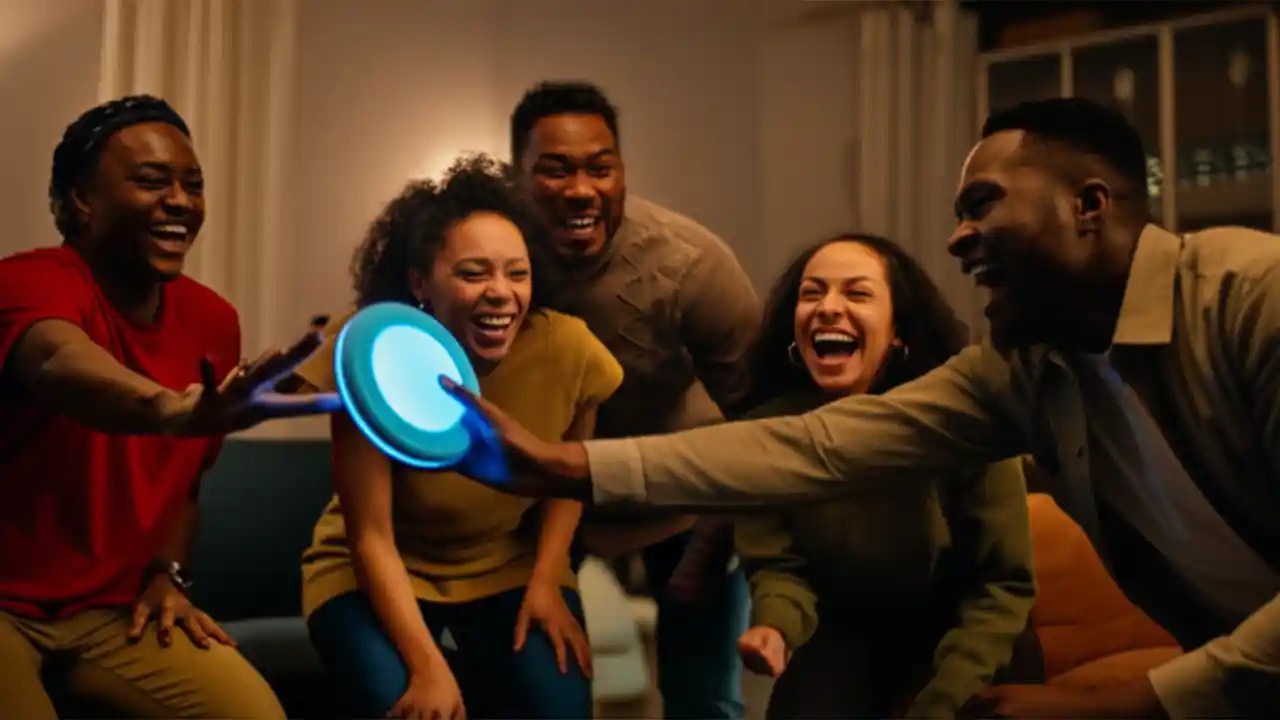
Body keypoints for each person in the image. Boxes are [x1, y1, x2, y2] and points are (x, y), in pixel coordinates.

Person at [449, 97, 1280, 718]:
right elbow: (812, 446)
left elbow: (999, 590)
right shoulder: (1027, 373)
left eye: (983, 203)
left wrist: (1129, 702)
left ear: (1087, 207)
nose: (956, 238)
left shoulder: (1254, 300)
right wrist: (565, 464)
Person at [0, 95, 323, 719]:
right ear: (82, 199)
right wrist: (171, 410)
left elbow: (184, 487)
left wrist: (167, 573)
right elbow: (57, 361)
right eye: (152, 181)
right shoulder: (27, 281)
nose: (180, 202)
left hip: (111, 613)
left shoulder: (212, 319)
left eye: (193, 185)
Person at [294, 155, 622, 719]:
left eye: (517, 274)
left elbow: (568, 478)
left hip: (506, 564)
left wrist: (547, 580)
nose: (501, 293)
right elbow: (370, 534)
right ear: (420, 282)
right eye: (473, 274)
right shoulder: (372, 347)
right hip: (378, 564)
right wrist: (427, 666)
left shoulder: (570, 350)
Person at [509, 80, 761, 718]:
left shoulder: (691, 263)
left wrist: (714, 541)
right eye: (555, 170)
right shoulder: (491, 256)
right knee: (542, 695)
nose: (581, 190)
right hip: (549, 503)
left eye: (600, 168)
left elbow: (762, 420)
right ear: (516, 176)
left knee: (705, 701)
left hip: (685, 501)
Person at [733, 233, 1035, 718]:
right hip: (841, 642)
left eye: (856, 293)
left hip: (969, 642)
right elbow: (780, 569)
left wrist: (942, 703)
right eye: (812, 293)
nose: (828, 308)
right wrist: (775, 627)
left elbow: (1001, 587)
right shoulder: (765, 433)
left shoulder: (968, 422)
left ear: (898, 330)